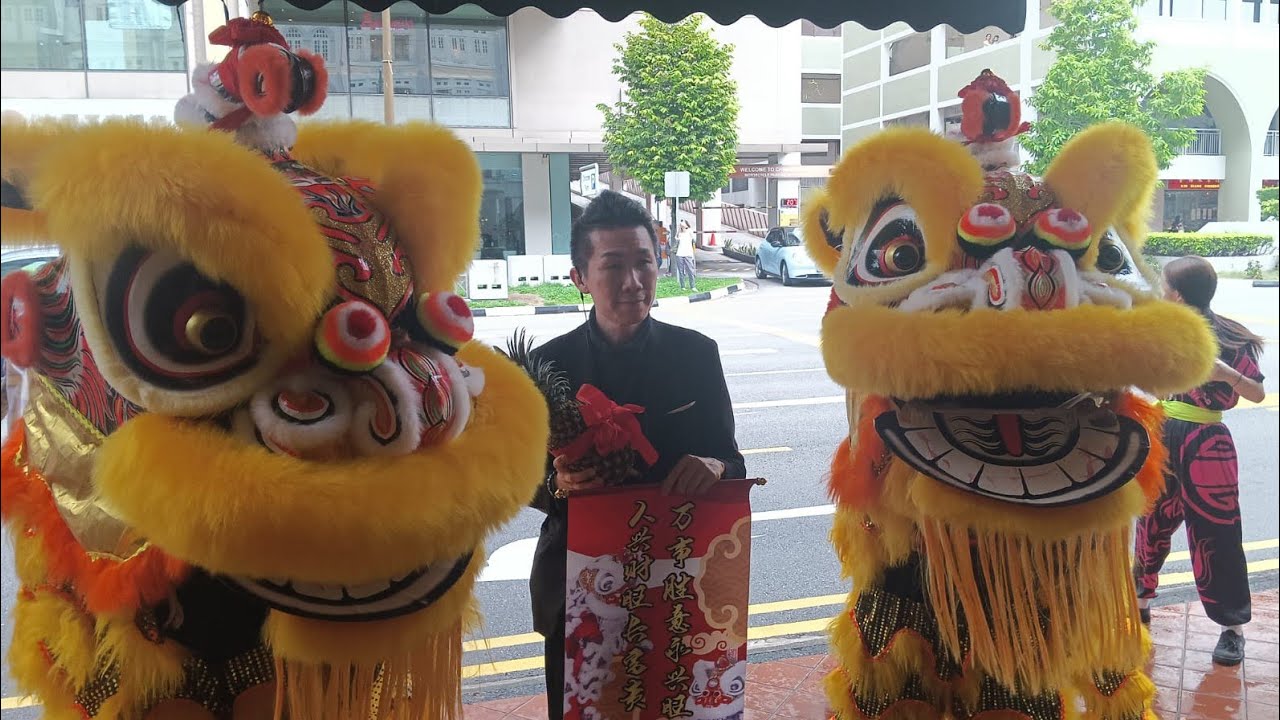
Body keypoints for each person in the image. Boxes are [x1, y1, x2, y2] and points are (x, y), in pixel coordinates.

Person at [528, 190, 746, 719]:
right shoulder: (545, 365)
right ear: (580, 277)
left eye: (644, 262)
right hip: (580, 584)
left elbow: (731, 461)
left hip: (676, 579)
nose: (633, 282)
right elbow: (519, 480)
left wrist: (714, 467)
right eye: (613, 266)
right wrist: (559, 482)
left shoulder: (695, 354)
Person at [1133, 255, 1267, 666]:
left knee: (1218, 533)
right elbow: (1147, 383)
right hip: (1164, 434)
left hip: (1209, 442)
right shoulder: (1166, 333)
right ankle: (1140, 603)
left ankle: (1232, 629)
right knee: (1150, 522)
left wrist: (1227, 375)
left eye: (1163, 286)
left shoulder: (1231, 339)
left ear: (1175, 293)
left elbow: (1258, 395)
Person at [675, 219, 697, 291]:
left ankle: (693, 286)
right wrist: (679, 228)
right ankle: (683, 286)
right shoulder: (679, 232)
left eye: (683, 223)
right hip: (680, 254)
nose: (682, 225)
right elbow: (676, 238)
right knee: (681, 271)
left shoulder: (690, 231)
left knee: (690, 270)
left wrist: (686, 229)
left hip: (688, 253)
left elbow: (694, 239)